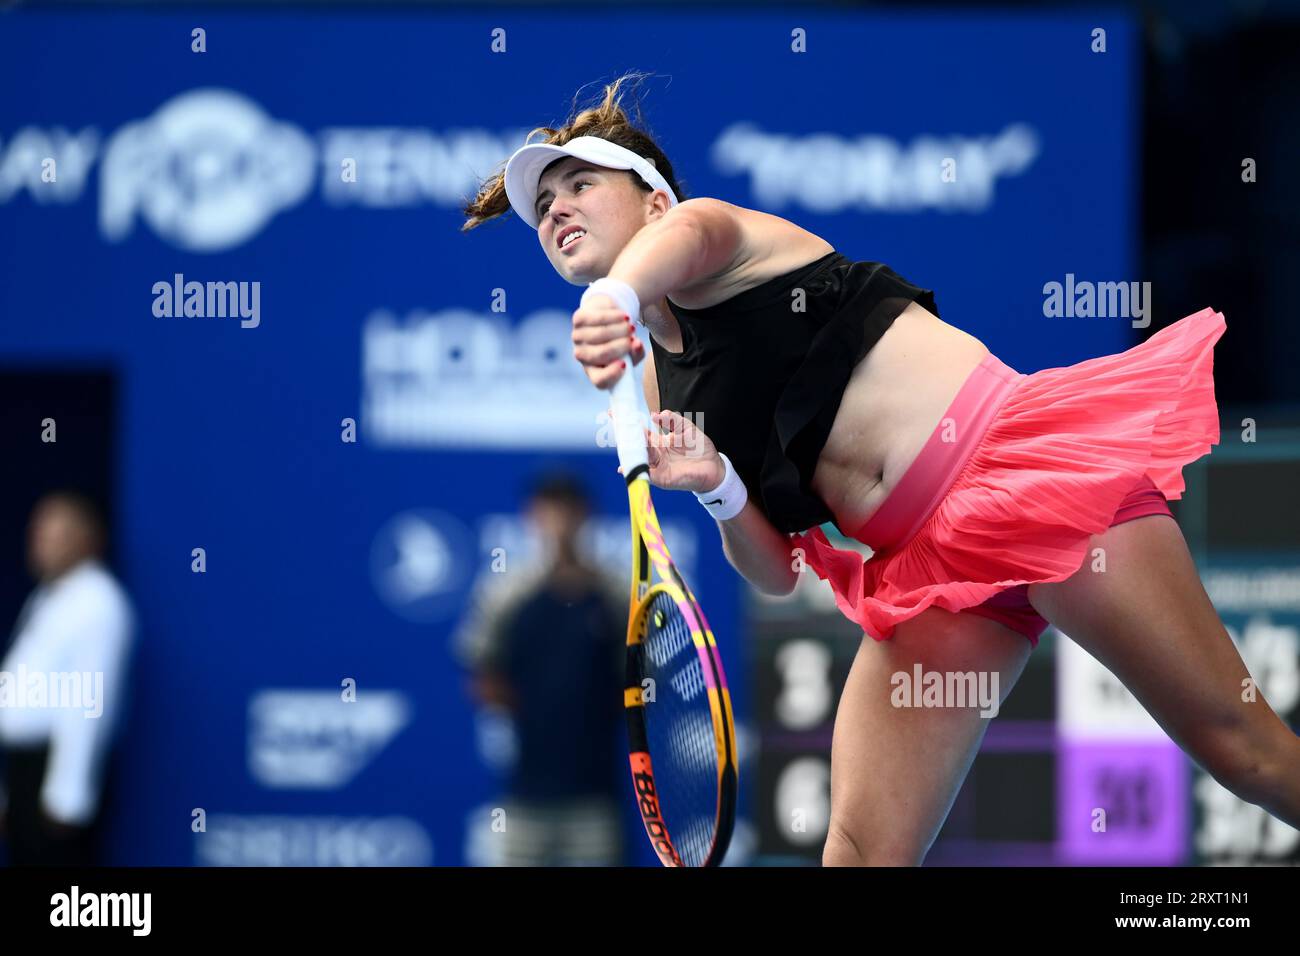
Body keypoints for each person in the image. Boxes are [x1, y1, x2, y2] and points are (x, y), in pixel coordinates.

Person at [461, 72, 1300, 866]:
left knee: (1248, 757)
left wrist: (611, 300)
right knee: (859, 852)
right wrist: (718, 484)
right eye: (543, 205)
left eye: (579, 185)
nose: (556, 208)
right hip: (933, 576)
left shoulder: (715, 236)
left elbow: (680, 245)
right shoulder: (655, 384)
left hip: (1025, 472)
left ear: (654, 199)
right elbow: (779, 574)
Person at [452, 470, 627, 866]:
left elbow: (642, 680)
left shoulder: (616, 594)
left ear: (587, 514)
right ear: (530, 515)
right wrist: (533, 709)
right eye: (548, 507)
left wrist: (592, 710)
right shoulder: (505, 594)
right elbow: (479, 668)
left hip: (596, 801)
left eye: (568, 507)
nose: (559, 519)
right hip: (523, 799)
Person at [0, 491, 135, 866]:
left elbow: (87, 704)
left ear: (88, 538)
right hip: (25, 774)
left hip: (53, 778)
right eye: (38, 531)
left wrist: (67, 796)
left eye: (55, 531)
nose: (41, 540)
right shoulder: (47, 598)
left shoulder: (97, 601)